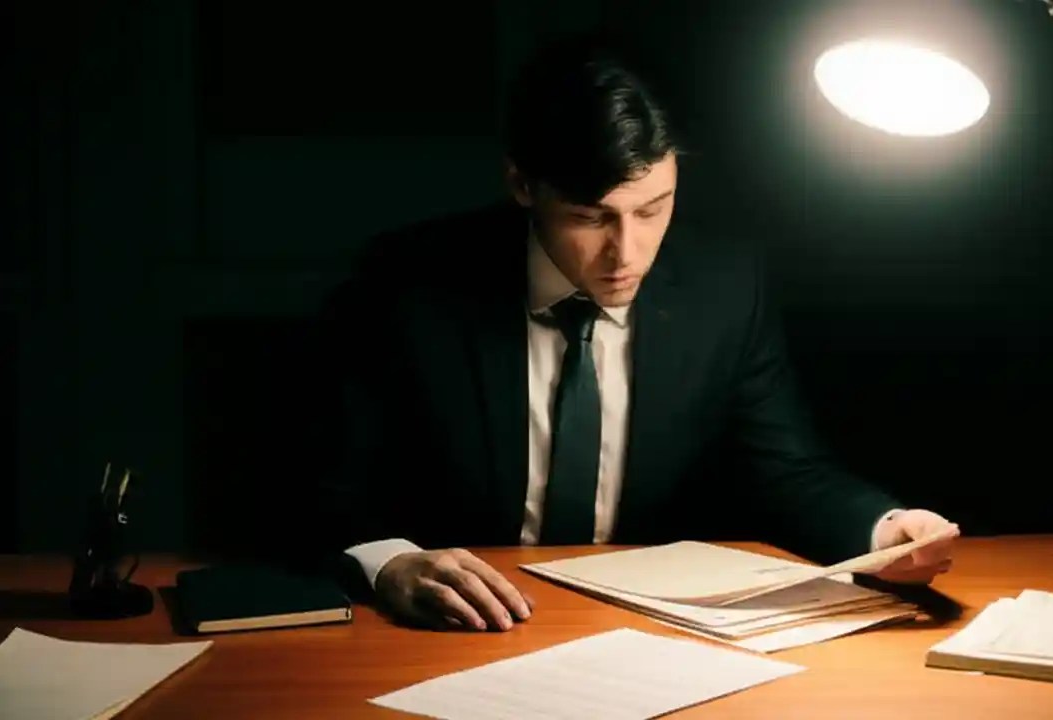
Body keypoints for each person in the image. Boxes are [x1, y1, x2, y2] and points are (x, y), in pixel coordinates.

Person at [313, 33, 957, 633]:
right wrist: (389, 561)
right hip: (462, 630)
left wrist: (885, 529)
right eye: (591, 218)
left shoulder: (725, 288)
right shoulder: (407, 284)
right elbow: (326, 483)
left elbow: (788, 470)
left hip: (645, 628)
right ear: (522, 185)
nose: (627, 252)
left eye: (653, 209)